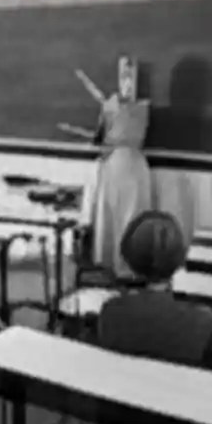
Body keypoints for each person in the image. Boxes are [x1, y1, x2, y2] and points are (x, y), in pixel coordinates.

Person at [59, 56, 153, 280]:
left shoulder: (133, 108)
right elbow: (102, 137)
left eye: (130, 77)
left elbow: (101, 139)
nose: (127, 83)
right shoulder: (129, 108)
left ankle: (120, 263)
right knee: (122, 215)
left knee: (124, 215)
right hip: (125, 166)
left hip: (123, 165)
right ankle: (121, 264)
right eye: (125, 77)